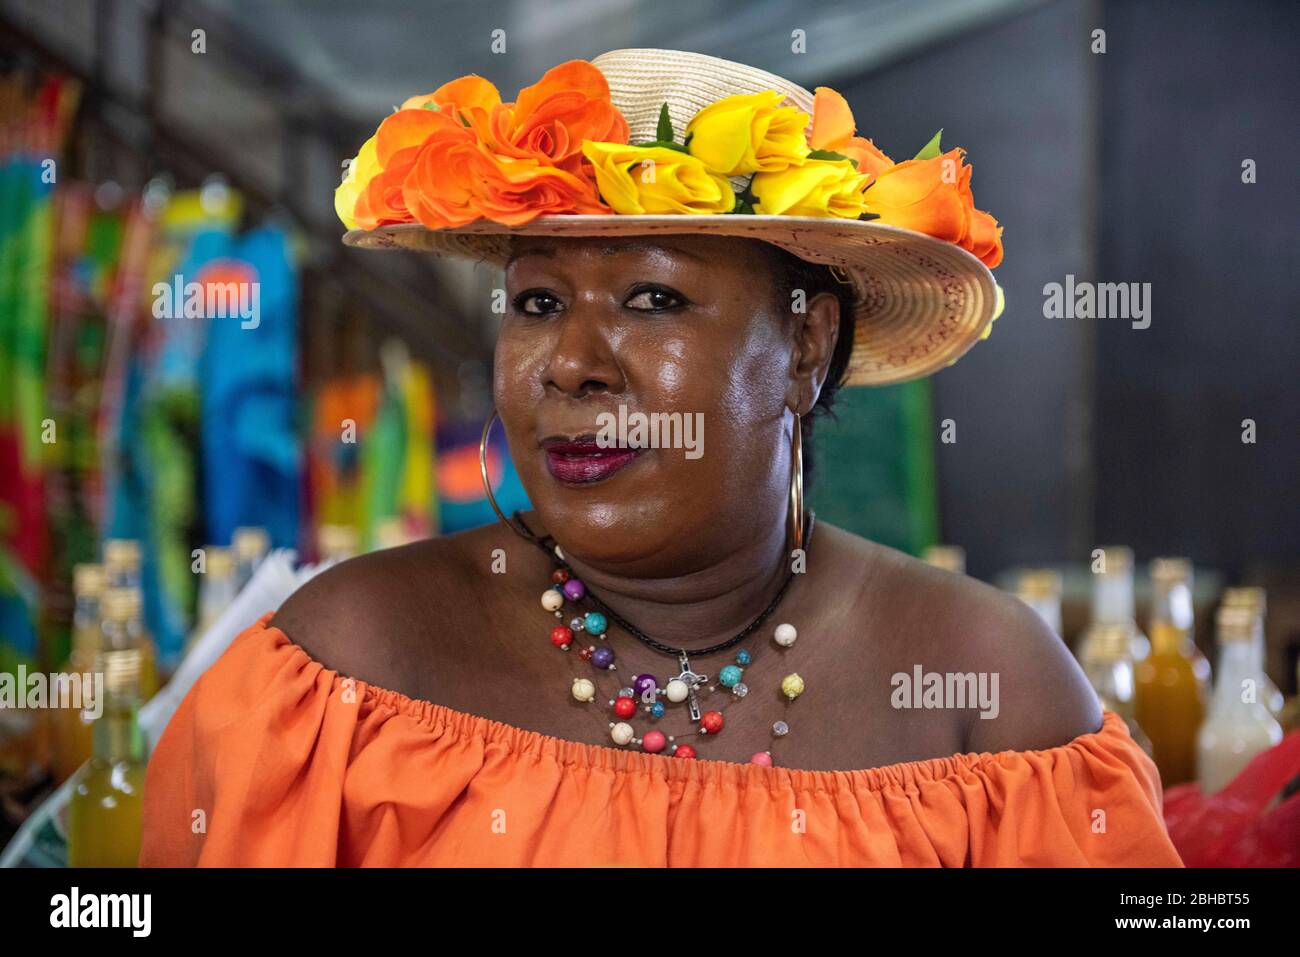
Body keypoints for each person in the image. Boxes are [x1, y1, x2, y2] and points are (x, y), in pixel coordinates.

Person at [140, 48, 1182, 866]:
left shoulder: (985, 696)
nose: (572, 365)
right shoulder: (346, 671)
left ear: (804, 348)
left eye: (653, 301)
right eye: (538, 304)